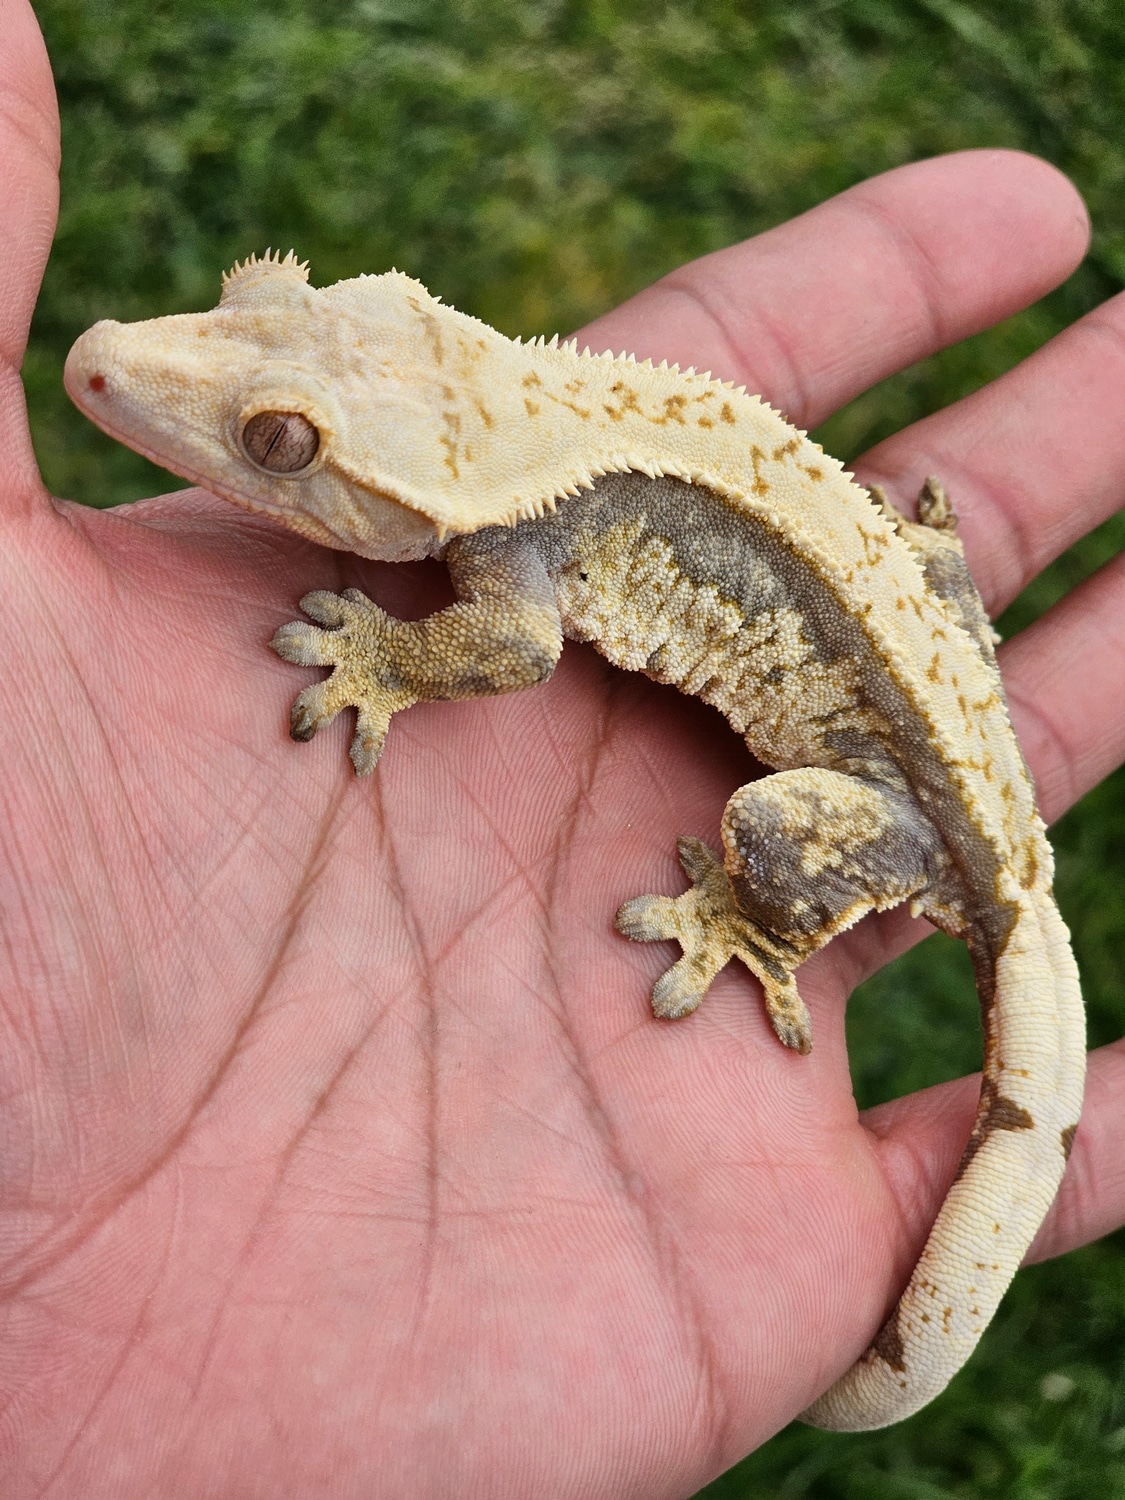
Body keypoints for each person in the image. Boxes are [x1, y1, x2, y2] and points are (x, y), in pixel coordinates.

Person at [1, 2, 1122, 1494]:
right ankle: (932, 618)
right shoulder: (513, 479)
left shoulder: (505, 549)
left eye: (273, 440)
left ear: (415, 496)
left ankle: (761, 919)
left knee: (772, 838)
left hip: (903, 807)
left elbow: (515, 648)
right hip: (917, 673)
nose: (131, 367)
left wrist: (391, 659)